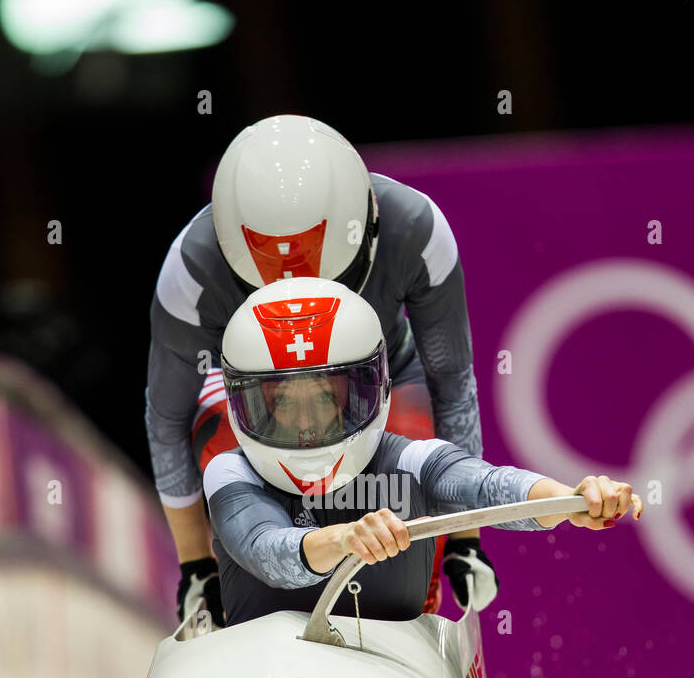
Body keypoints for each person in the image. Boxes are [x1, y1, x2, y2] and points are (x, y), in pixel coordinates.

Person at [145, 113, 497, 626]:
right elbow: (167, 417)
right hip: (257, 396)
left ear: (370, 232)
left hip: (383, 382)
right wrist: (198, 564)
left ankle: (409, 606)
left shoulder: (417, 230)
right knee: (219, 441)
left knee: (410, 449)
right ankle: (249, 601)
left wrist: (462, 538)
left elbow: (451, 381)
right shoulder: (191, 273)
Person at [203, 278, 642, 628]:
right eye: (281, 402)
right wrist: (346, 539)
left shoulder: (412, 462)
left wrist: (569, 499)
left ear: (366, 392)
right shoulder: (228, 473)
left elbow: (488, 486)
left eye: (322, 398)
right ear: (246, 405)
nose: (303, 424)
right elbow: (267, 552)